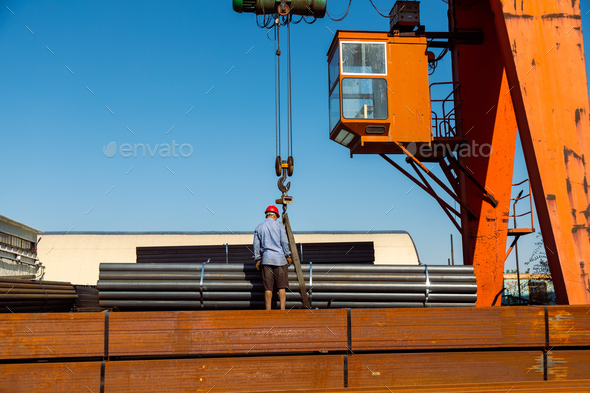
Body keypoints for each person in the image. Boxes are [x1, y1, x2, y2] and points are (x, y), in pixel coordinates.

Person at [253, 205, 292, 310]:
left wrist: (257, 260)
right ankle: (282, 309)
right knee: (281, 287)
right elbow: (284, 241)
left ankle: (268, 311)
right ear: (275, 216)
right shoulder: (279, 226)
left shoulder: (259, 227)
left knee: (268, 288)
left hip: (266, 260)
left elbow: (256, 246)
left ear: (267, 215)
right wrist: (288, 255)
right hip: (280, 260)